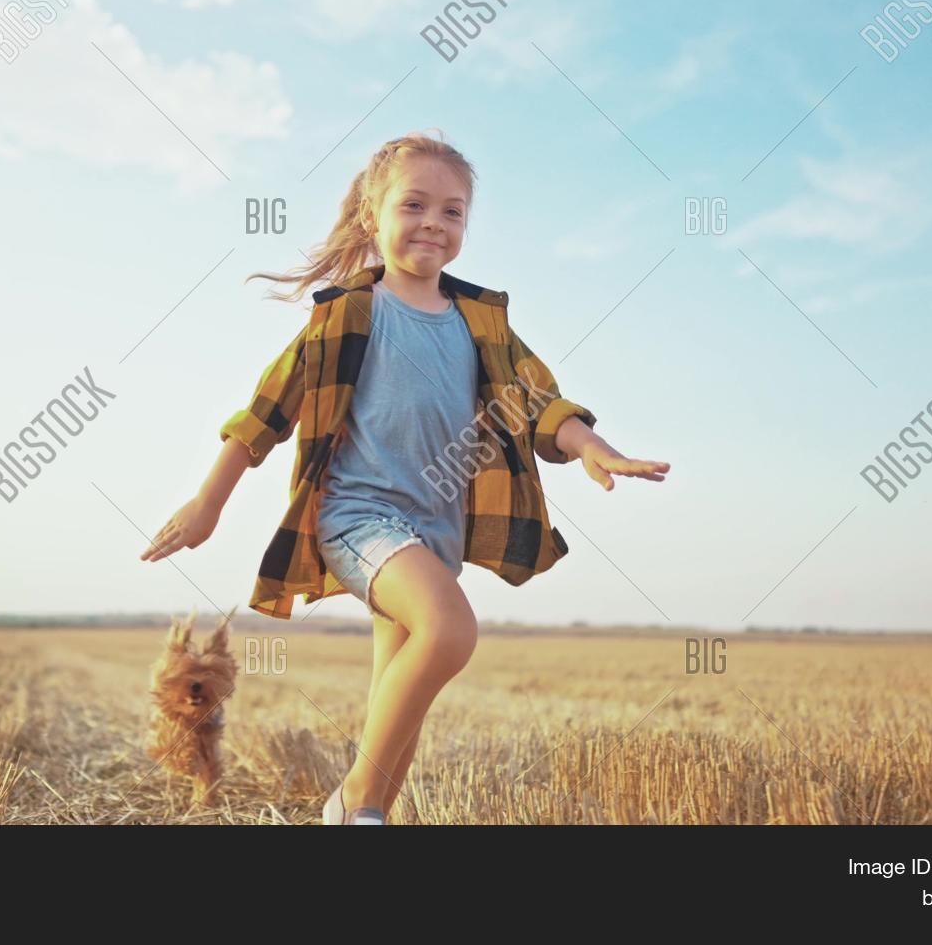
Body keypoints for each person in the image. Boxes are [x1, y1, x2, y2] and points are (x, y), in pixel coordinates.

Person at [140, 131, 670, 824]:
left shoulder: (482, 322)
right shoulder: (345, 318)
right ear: (373, 216)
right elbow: (264, 415)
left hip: (436, 530)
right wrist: (207, 504)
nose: (434, 223)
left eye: (453, 212)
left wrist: (591, 444)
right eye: (415, 204)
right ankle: (353, 800)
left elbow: (536, 399)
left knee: (401, 695)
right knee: (449, 632)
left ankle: (368, 816)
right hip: (359, 517)